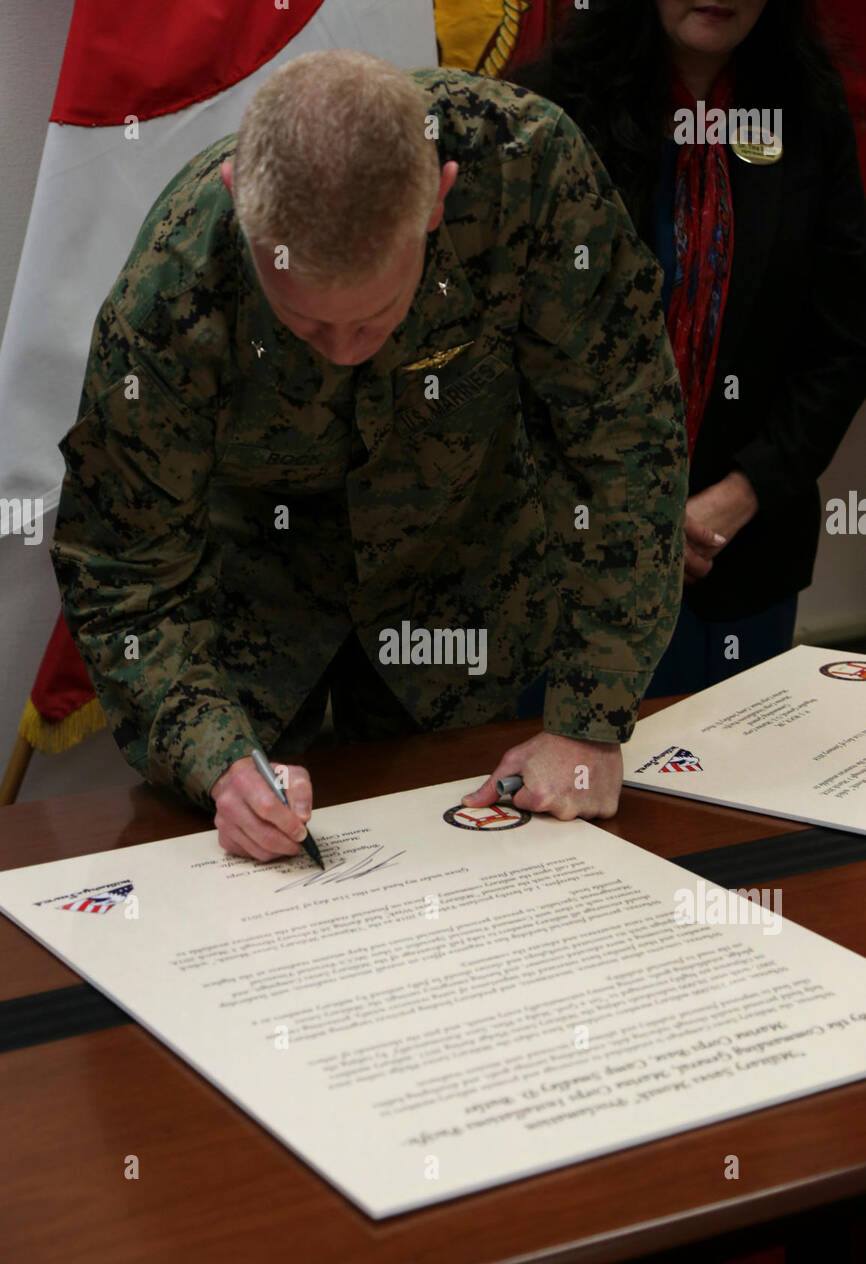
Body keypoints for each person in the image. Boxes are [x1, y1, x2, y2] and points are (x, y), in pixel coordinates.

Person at [50, 49, 688, 863]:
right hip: (246, 625)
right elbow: (120, 568)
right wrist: (216, 760)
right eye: (309, 327)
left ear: (439, 201)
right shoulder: (172, 290)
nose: (346, 351)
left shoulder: (527, 171)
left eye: (378, 315)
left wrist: (590, 721)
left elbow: (625, 437)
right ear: (240, 203)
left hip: (457, 603)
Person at [513, 0, 866, 695]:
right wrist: (628, 516)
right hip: (574, 561)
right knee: (579, 792)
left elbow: (845, 337)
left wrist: (738, 495)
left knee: (734, 788)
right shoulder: (551, 110)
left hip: (743, 553)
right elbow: (511, 356)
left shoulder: (808, 107)